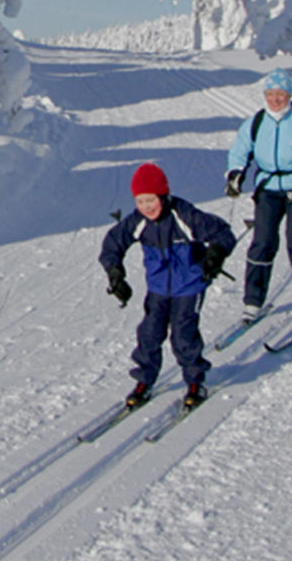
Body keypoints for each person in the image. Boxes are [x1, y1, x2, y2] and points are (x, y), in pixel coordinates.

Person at [98, 162, 238, 410]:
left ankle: (195, 381)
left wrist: (215, 254)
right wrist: (115, 273)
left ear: (163, 195)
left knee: (184, 336)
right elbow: (113, 243)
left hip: (190, 286)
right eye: (140, 201)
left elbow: (223, 233)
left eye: (151, 200)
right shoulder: (139, 221)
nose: (146, 207)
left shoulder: (184, 215)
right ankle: (144, 380)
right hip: (158, 288)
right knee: (149, 334)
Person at [225, 69, 292, 328]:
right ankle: (253, 303)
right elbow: (239, 152)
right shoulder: (255, 122)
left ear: (289, 95)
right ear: (265, 95)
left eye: (281, 94)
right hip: (268, 188)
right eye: (271, 94)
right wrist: (235, 173)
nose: (275, 99)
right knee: (262, 242)